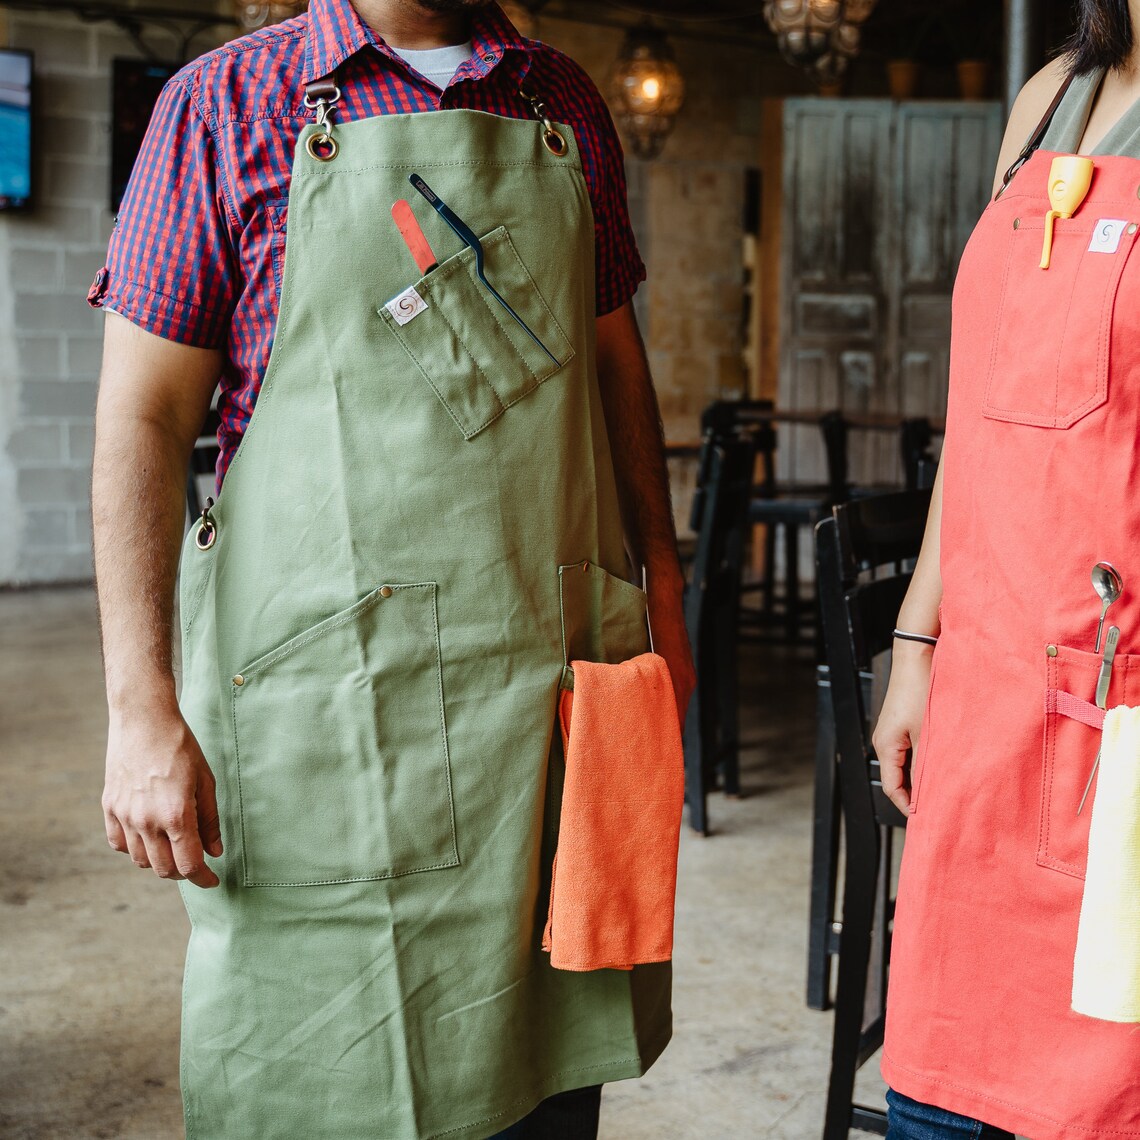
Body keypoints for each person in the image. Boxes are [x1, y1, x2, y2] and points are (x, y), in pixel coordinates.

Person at [89, 1, 695, 1137]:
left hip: (548, 685)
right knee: (327, 1080)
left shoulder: (560, 103)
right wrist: (139, 704)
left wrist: (661, 585)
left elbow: (616, 356)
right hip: (331, 702)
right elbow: (143, 416)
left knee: (546, 1066)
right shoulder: (222, 105)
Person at [873, 1, 1140, 1136]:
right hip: (987, 689)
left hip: (1122, 709)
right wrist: (916, 645)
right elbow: (974, 416)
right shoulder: (1048, 102)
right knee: (941, 1089)